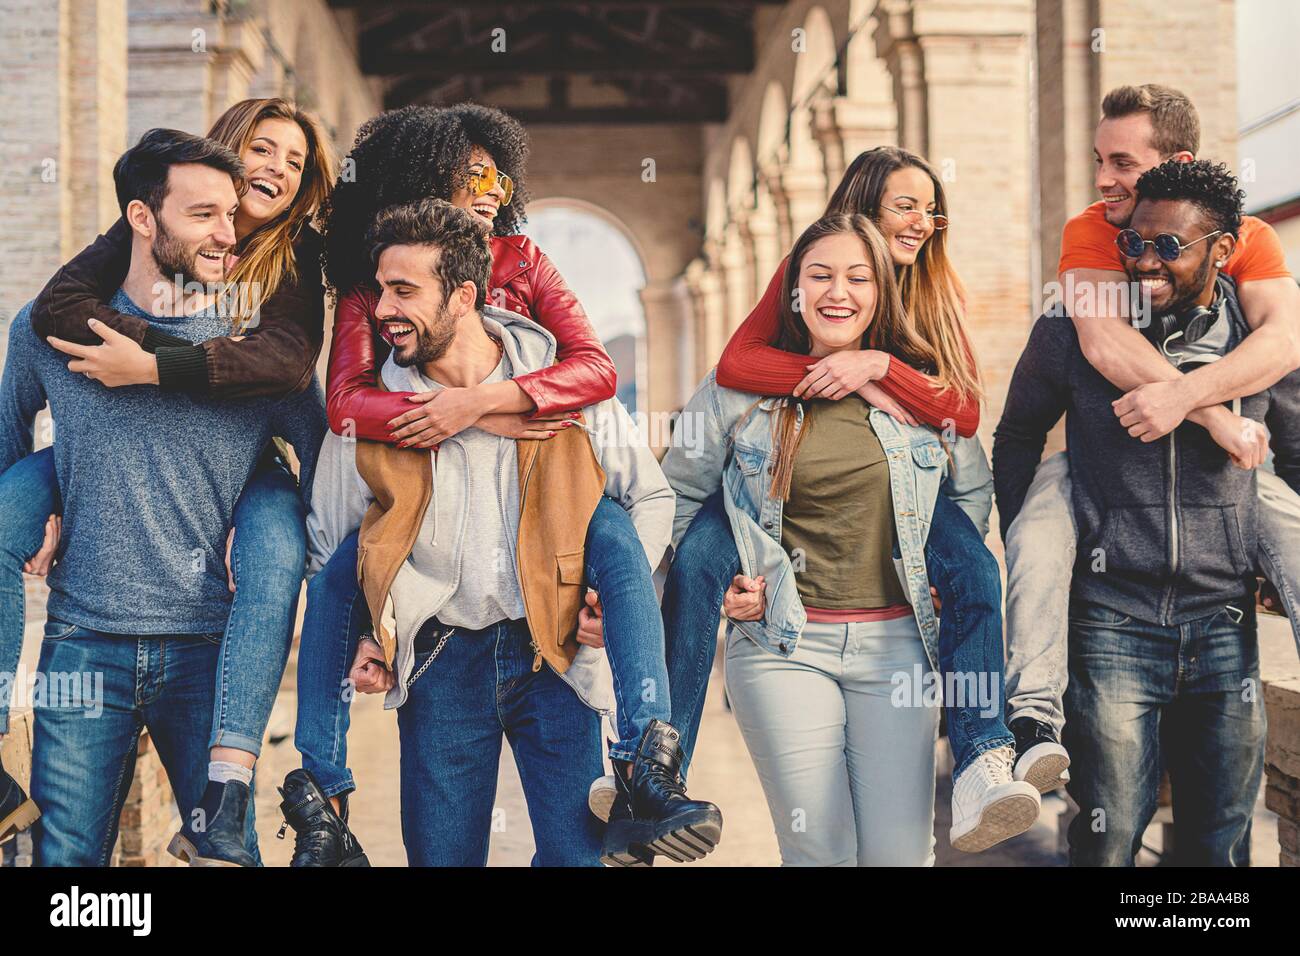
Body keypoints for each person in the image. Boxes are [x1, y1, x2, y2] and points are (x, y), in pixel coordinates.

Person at [281, 103, 720, 868]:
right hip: (442, 658)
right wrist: (368, 627)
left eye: (499, 175)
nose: (491, 189)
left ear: (465, 292)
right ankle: (325, 792)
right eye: (472, 173)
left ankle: (650, 758)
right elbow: (335, 527)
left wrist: (487, 403)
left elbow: (640, 475)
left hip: (547, 646)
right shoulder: (375, 359)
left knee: (580, 859)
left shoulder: (551, 365)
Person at [654, 146, 1041, 853]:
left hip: (898, 649)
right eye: (822, 276)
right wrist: (725, 583)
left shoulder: (922, 351)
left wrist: (938, 575)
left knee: (899, 856)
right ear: (793, 288)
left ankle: (987, 751)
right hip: (784, 645)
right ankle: (656, 759)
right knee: (820, 850)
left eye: (858, 278)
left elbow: (970, 478)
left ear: (880, 290)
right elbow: (678, 494)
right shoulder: (743, 382)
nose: (840, 291)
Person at [0, 98, 335, 866]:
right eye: (206, 214)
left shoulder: (256, 351)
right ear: (144, 220)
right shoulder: (52, 327)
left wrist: (282, 539)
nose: (227, 231)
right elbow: (6, 437)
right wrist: (35, 503)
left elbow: (322, 464)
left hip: (211, 652)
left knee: (229, 858)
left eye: (230, 219)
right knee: (67, 870)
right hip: (84, 644)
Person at [994, 159, 1300, 865]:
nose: (1144, 261)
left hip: (1223, 625)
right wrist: (1033, 532)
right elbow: (1015, 436)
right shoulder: (1073, 327)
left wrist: (1260, 557)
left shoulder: (1254, 340)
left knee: (1217, 847)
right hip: (1112, 622)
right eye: (1134, 243)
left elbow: (1293, 444)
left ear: (1223, 250)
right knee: (1107, 840)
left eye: (1169, 246)